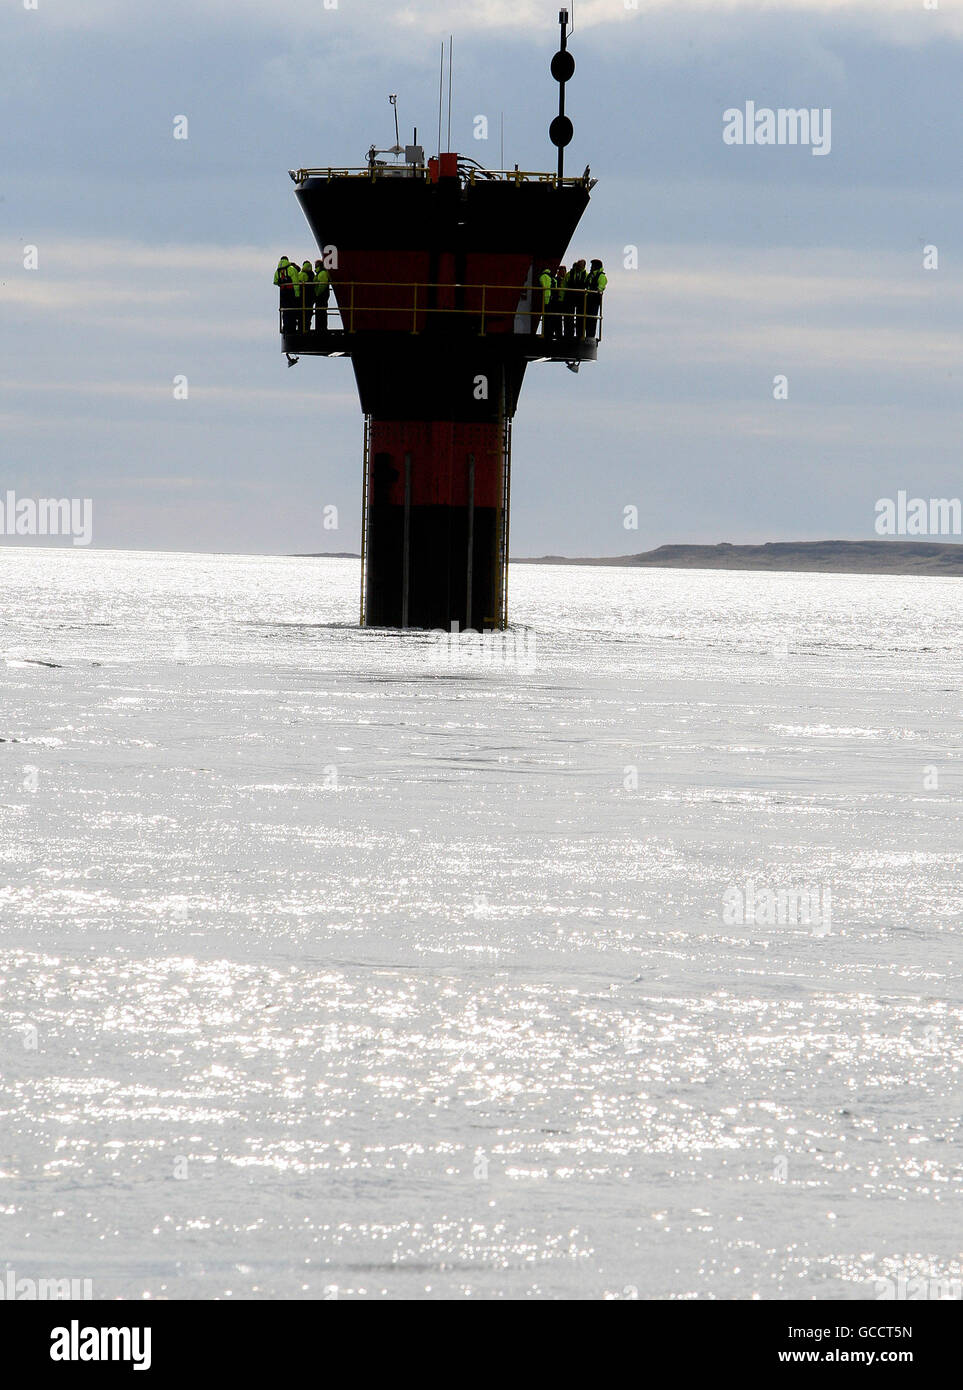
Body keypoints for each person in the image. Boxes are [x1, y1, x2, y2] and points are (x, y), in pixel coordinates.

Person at [274, 255, 298, 335]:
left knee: (285, 310)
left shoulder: (277, 271)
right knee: (292, 310)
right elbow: (295, 282)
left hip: (283, 293)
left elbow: (275, 282)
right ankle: (292, 327)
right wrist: (297, 294)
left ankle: (286, 327)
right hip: (291, 292)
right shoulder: (291, 269)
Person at [585, 258, 607, 339]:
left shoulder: (601, 276)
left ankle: (590, 335)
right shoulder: (590, 275)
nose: (591, 267)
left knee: (592, 319)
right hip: (587, 300)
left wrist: (595, 292)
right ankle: (587, 334)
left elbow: (601, 287)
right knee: (586, 318)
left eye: (592, 266)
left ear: (596, 266)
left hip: (594, 301)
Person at [564, 260, 587, 338]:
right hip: (569, 298)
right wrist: (561, 298)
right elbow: (564, 286)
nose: (578, 267)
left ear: (583, 266)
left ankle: (580, 334)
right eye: (578, 265)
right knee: (568, 317)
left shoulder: (586, 275)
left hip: (581, 299)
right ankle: (568, 333)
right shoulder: (569, 275)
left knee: (580, 317)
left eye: (580, 266)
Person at [547, 266, 566, 343]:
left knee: (558, 319)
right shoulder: (556, 280)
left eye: (564, 271)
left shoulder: (562, 280)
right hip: (556, 301)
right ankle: (555, 333)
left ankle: (558, 334)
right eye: (561, 271)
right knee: (555, 319)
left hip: (560, 302)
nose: (563, 273)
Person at [313, 259, 331, 333]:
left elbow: (323, 285)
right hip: (321, 295)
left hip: (321, 296)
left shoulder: (322, 273)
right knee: (320, 312)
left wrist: (317, 293)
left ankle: (321, 328)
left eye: (316, 265)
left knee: (321, 312)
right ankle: (320, 327)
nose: (315, 267)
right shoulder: (320, 273)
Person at [299, 260, 315, 333]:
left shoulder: (302, 274)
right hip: (311, 297)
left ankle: (301, 328)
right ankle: (307, 327)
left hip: (303, 297)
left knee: (302, 314)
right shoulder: (313, 275)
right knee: (309, 313)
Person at [537, 267, 554, 337]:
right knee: (549, 317)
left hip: (545, 298)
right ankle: (549, 333)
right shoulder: (551, 277)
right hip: (551, 298)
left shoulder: (542, 276)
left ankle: (545, 333)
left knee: (545, 317)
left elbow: (542, 286)